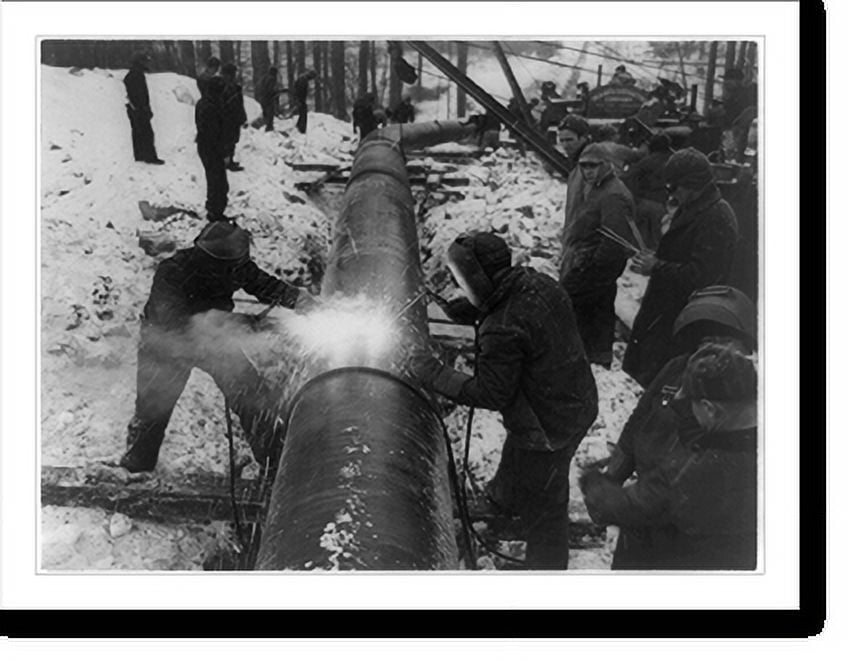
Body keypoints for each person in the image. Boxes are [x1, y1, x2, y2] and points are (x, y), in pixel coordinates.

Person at [407, 232, 598, 569]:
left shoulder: (502, 328)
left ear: (480, 279)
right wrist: (472, 309)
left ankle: (547, 572)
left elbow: (490, 392)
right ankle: (504, 501)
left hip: (550, 424)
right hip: (572, 398)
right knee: (520, 451)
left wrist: (432, 372)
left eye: (465, 281)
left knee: (546, 506)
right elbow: (519, 310)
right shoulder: (538, 284)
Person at [119, 222, 319, 473]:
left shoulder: (234, 265)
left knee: (252, 394)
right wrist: (237, 322)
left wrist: (297, 299)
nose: (236, 270)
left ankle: (276, 463)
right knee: (153, 409)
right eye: (230, 267)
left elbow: (262, 284)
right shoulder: (172, 271)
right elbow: (171, 320)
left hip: (214, 340)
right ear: (212, 261)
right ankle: (137, 467)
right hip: (166, 346)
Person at [583, 286, 754, 568]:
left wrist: (602, 494)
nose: (713, 349)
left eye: (725, 341)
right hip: (644, 517)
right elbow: (638, 423)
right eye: (707, 340)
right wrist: (613, 474)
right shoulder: (676, 370)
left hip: (681, 534)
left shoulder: (745, 400)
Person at [623, 147, 739, 387]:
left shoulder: (716, 217)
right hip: (668, 311)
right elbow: (682, 252)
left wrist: (657, 266)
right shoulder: (693, 207)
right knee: (650, 378)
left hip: (683, 320)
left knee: (664, 381)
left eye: (673, 187)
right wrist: (656, 258)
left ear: (692, 184)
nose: (671, 194)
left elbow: (703, 277)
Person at [559, 142, 636, 368]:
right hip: (588, 263)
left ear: (606, 165)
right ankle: (593, 360)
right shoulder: (599, 188)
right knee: (594, 317)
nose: (588, 171)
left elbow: (614, 242)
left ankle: (587, 361)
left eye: (593, 166)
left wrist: (590, 267)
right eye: (583, 166)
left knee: (583, 316)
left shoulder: (613, 195)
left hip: (594, 268)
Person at [621, 132, 675, 249]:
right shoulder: (674, 160)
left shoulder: (646, 161)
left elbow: (627, 178)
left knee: (644, 243)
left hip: (647, 203)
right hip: (670, 205)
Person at [195, 76, 230, 221]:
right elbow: (215, 133)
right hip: (212, 149)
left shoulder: (203, 103)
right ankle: (216, 213)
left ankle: (213, 209)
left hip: (204, 146)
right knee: (219, 183)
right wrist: (224, 152)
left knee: (213, 180)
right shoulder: (213, 106)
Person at [123, 52, 164, 164]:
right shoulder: (137, 75)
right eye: (145, 61)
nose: (147, 64)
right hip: (139, 109)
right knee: (147, 133)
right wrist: (145, 109)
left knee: (137, 132)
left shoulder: (131, 75)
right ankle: (150, 157)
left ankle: (139, 155)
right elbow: (141, 95)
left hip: (133, 108)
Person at [221, 63, 247, 171]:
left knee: (233, 141)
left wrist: (242, 117)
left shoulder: (234, 87)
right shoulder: (223, 87)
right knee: (227, 141)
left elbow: (239, 103)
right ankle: (226, 162)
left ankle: (229, 160)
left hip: (234, 118)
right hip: (228, 118)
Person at [256, 66, 285, 132]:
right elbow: (271, 89)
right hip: (268, 98)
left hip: (262, 98)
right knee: (270, 113)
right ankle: (269, 128)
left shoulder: (264, 77)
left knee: (265, 113)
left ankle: (265, 127)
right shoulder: (272, 79)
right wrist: (277, 92)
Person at [292, 70, 317, 134]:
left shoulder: (302, 78)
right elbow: (301, 91)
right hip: (300, 99)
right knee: (303, 113)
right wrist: (300, 100)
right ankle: (302, 128)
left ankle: (299, 126)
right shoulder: (304, 80)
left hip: (299, 98)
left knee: (302, 113)